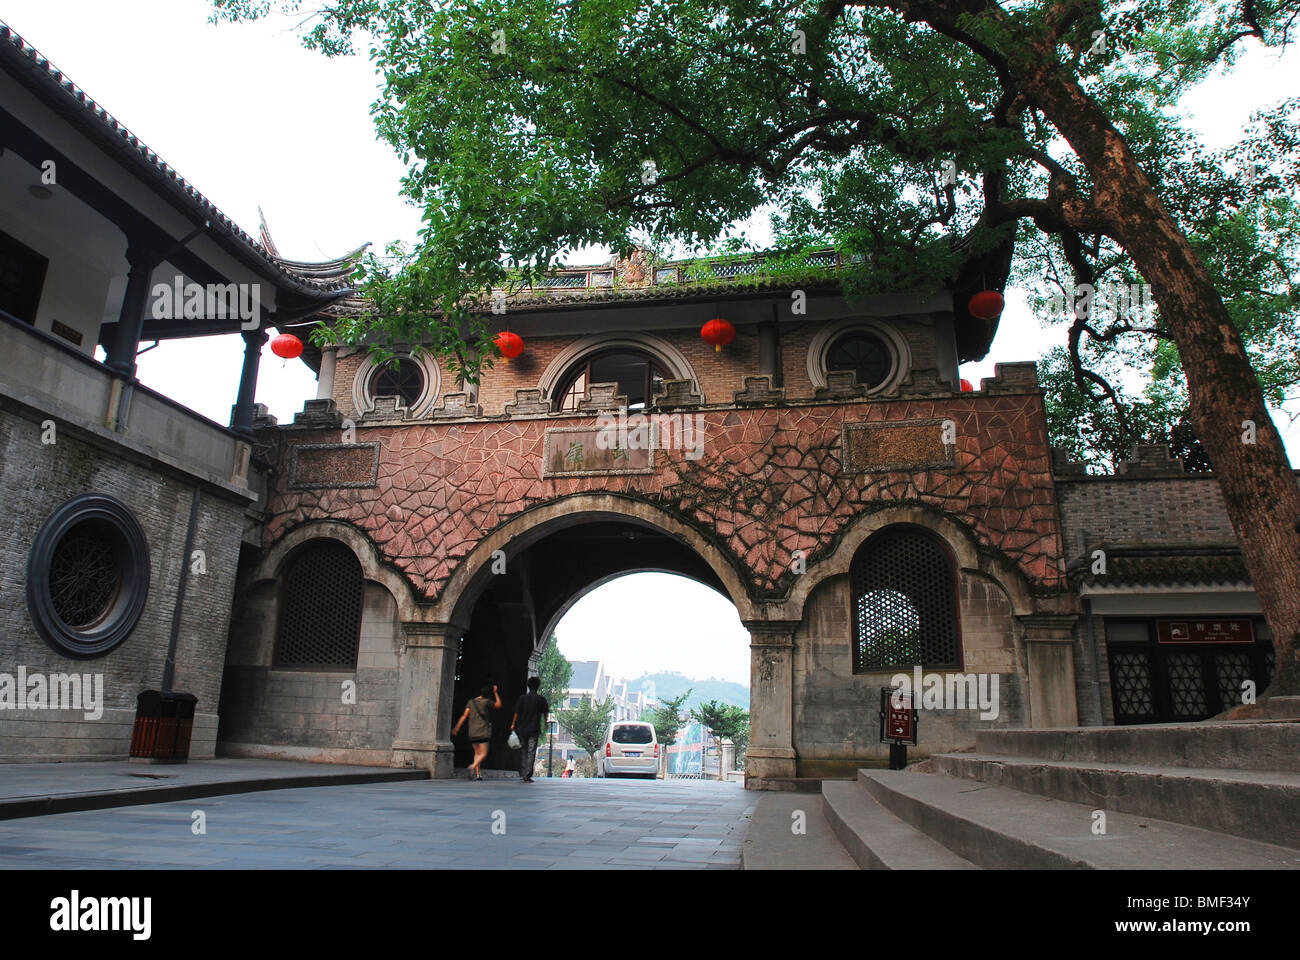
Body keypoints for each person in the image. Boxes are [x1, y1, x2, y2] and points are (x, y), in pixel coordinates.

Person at [451, 684, 501, 780]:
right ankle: (472, 767)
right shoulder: (486, 702)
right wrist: (496, 693)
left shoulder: (471, 702)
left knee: (477, 753)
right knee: (484, 753)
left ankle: (478, 775)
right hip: (482, 732)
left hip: (472, 732)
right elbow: (498, 704)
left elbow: (464, 715)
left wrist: (457, 727)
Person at [509, 676, 549, 783]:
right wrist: (545, 723)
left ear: (528, 686)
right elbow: (545, 713)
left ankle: (524, 772)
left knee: (524, 751)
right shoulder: (541, 699)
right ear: (538, 686)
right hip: (534, 729)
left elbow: (516, 713)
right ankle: (527, 774)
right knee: (531, 751)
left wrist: (513, 724)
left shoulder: (522, 698)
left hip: (522, 729)